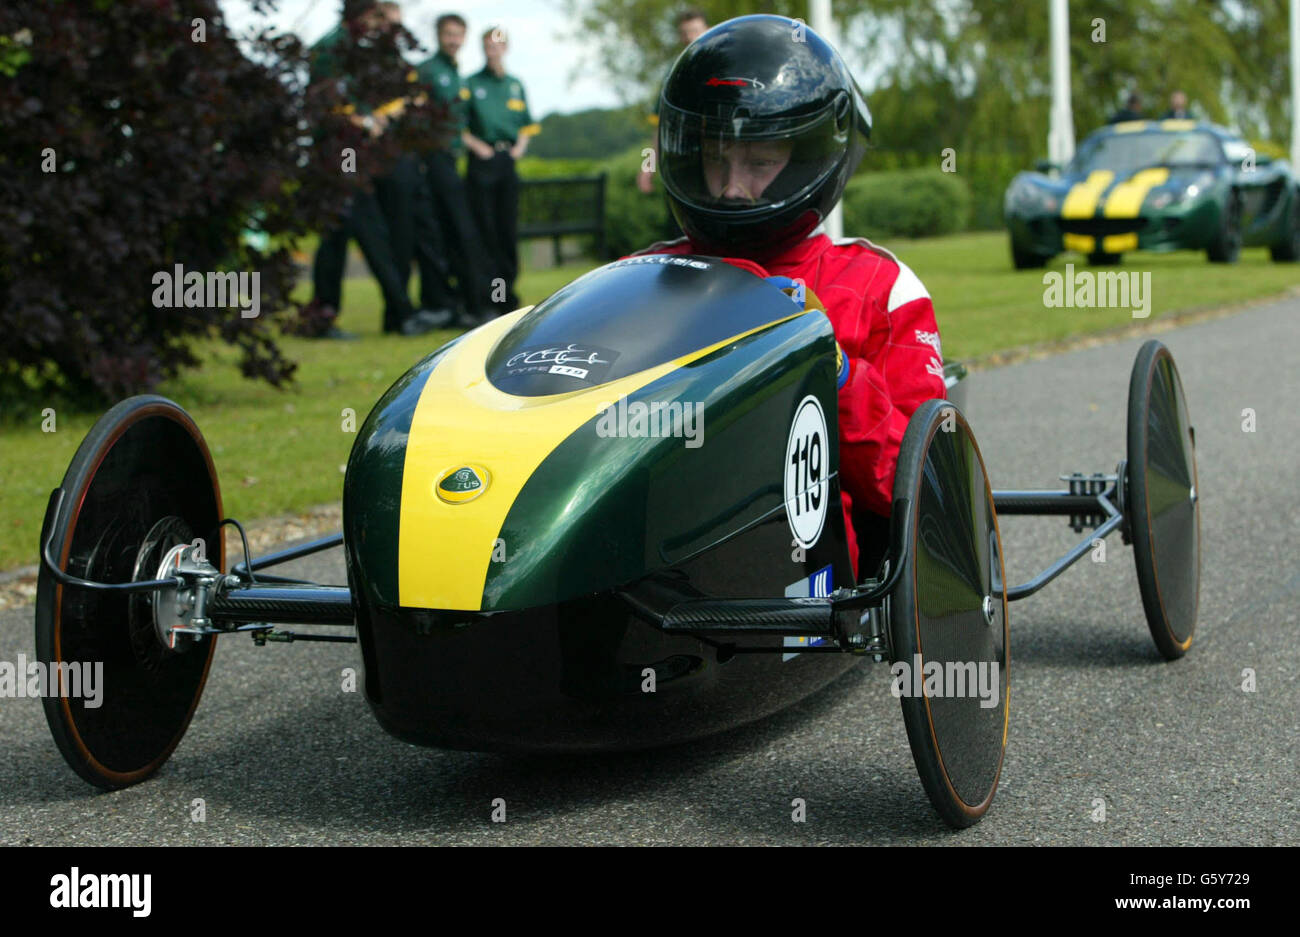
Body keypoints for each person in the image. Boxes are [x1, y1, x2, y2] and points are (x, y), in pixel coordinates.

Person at [631, 14, 946, 578]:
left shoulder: (879, 286)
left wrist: (837, 372)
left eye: (759, 162)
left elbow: (923, 484)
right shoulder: (642, 275)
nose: (730, 187)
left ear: (807, 159)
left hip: (798, 577)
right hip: (639, 563)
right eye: (715, 159)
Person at [307, 1, 441, 337]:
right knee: (357, 234)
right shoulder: (331, 48)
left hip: (355, 153)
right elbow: (328, 104)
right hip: (340, 153)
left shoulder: (355, 48)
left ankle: (328, 315)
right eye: (373, 16)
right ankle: (397, 312)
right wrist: (367, 121)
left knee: (345, 236)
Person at [414, 13, 493, 327]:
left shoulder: (458, 74)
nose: (454, 40)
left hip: (452, 161)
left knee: (452, 231)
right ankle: (461, 305)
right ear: (438, 35)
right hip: (434, 159)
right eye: (449, 34)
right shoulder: (428, 71)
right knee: (455, 232)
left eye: (459, 35)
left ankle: (459, 303)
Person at [462, 27, 540, 311]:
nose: (492, 52)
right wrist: (477, 146)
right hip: (482, 162)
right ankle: (487, 298)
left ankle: (506, 297)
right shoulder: (470, 83)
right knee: (486, 232)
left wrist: (520, 147)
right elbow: (458, 125)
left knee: (507, 231)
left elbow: (527, 124)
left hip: (507, 162)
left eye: (496, 47)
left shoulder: (515, 84)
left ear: (505, 48)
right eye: (487, 47)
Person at [636, 8, 709, 200]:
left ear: (708, 30)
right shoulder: (673, 75)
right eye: (685, 33)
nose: (690, 37)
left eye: (695, 31)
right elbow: (658, 129)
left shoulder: (723, 68)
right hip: (683, 171)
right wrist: (647, 167)